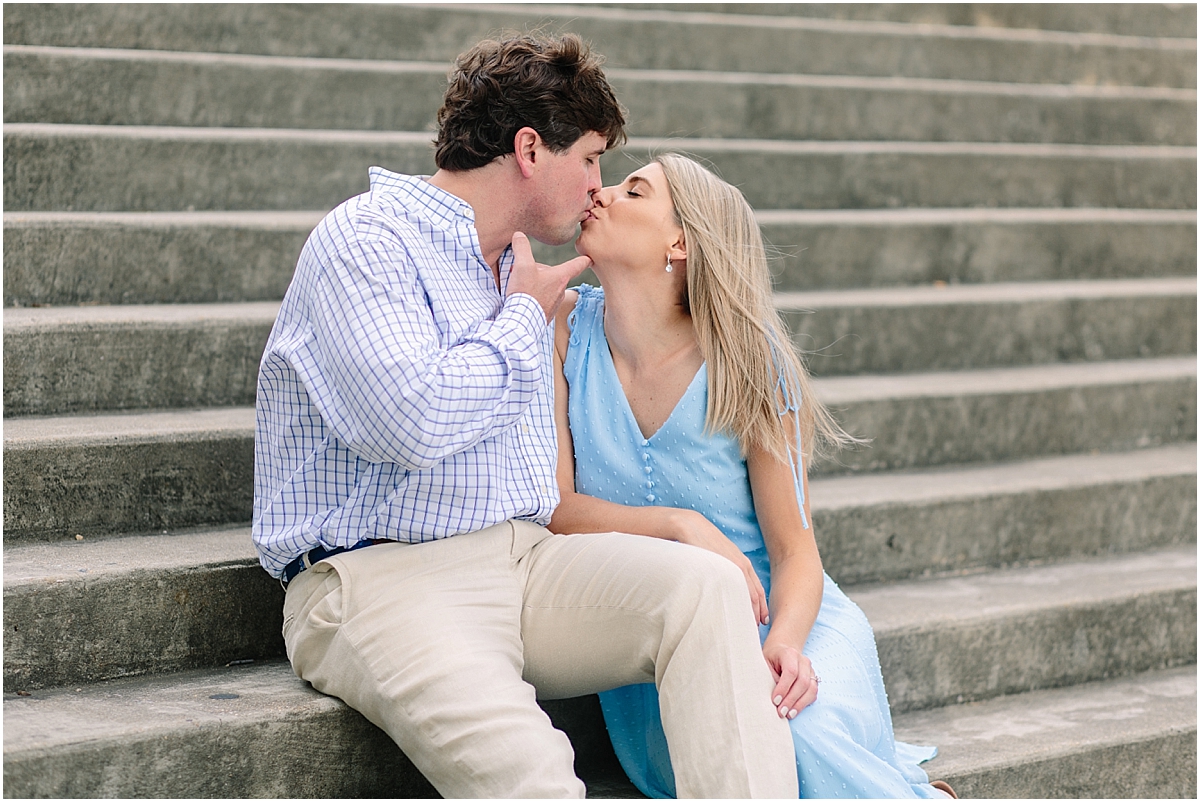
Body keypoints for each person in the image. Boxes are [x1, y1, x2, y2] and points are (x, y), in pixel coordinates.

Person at [252, 34, 799, 798]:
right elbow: (409, 422)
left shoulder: (522, 268)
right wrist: (519, 321)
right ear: (531, 148)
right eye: (591, 160)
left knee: (703, 590)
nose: (597, 188)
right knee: (536, 780)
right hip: (377, 581)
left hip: (525, 563)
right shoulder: (368, 240)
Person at [549, 153, 956, 799]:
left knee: (793, 736)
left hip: (785, 623)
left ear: (678, 242)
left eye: (634, 190)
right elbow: (557, 511)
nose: (600, 191)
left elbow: (796, 553)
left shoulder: (747, 357)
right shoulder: (564, 329)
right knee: (745, 751)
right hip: (664, 643)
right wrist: (681, 526)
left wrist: (787, 646)